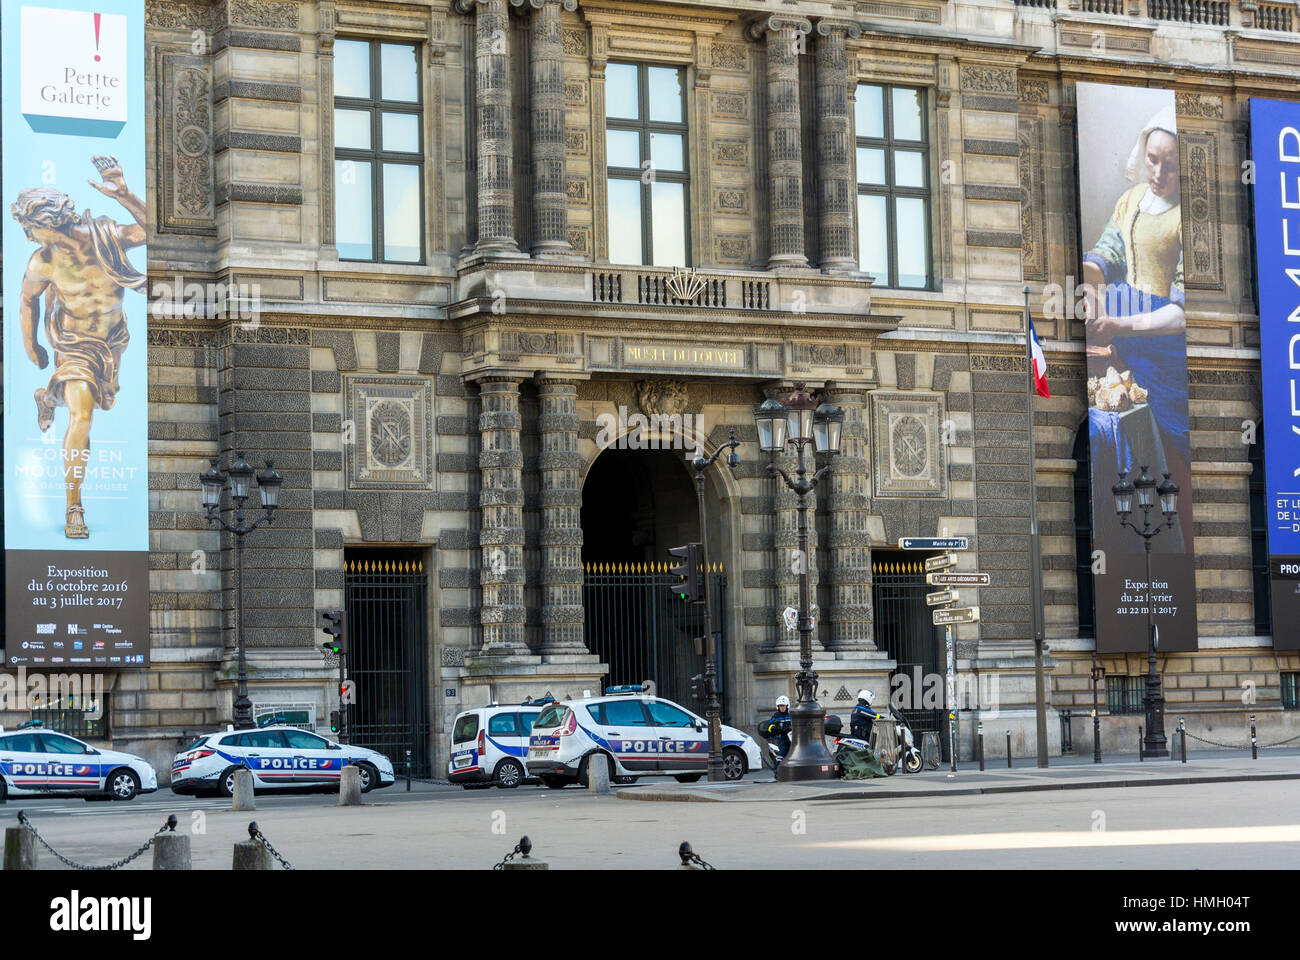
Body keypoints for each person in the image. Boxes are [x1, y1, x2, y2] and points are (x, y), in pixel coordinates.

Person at [12, 156, 147, 539]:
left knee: (88, 406)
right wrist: (32, 344)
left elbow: (152, 231)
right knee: (83, 419)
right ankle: (74, 506)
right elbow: (27, 301)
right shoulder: (43, 262)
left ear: (48, 222)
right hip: (71, 344)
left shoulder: (105, 236)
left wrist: (124, 194)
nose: (28, 237)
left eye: (31, 228)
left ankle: (46, 397)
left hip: (111, 340)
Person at [762, 695, 793, 767]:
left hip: (792, 737)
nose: (782, 707)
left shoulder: (791, 715)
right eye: (780, 706)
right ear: (778, 707)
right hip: (782, 738)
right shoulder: (776, 716)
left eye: (783, 706)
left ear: (787, 706)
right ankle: (777, 768)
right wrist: (774, 728)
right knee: (783, 751)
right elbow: (768, 725)